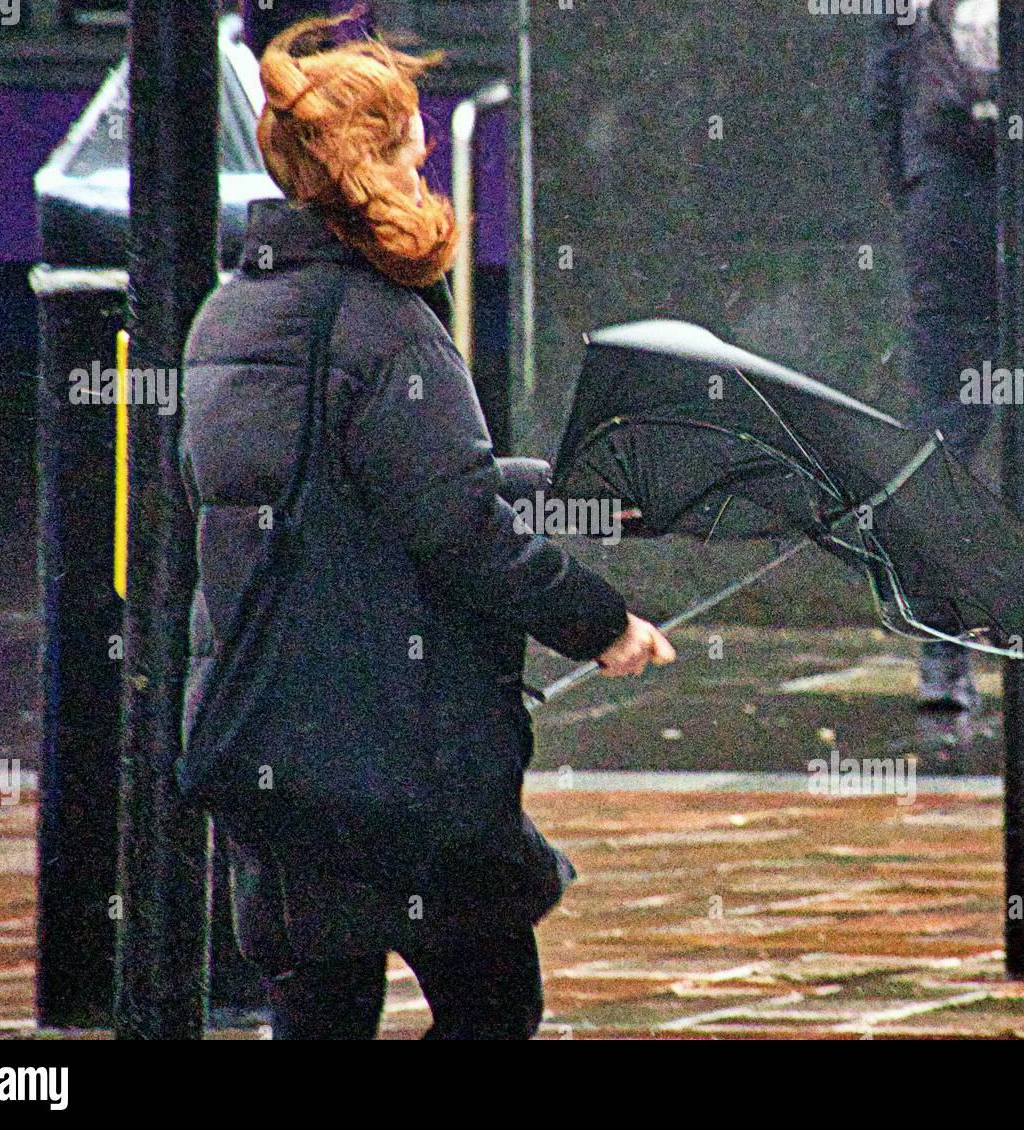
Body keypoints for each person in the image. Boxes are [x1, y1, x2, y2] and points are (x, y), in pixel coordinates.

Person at [177, 15, 675, 1039]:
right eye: (409, 137)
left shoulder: (230, 312)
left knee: (318, 1007)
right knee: (492, 1003)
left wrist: (559, 492)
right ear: (371, 162)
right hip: (396, 745)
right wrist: (603, 621)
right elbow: (458, 530)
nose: (427, 153)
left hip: (269, 728)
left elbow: (363, 489)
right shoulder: (382, 320)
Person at [866, 0, 1024, 710]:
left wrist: (917, 187)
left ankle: (942, 653)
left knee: (944, 423)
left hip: (947, 191)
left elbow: (884, 83)